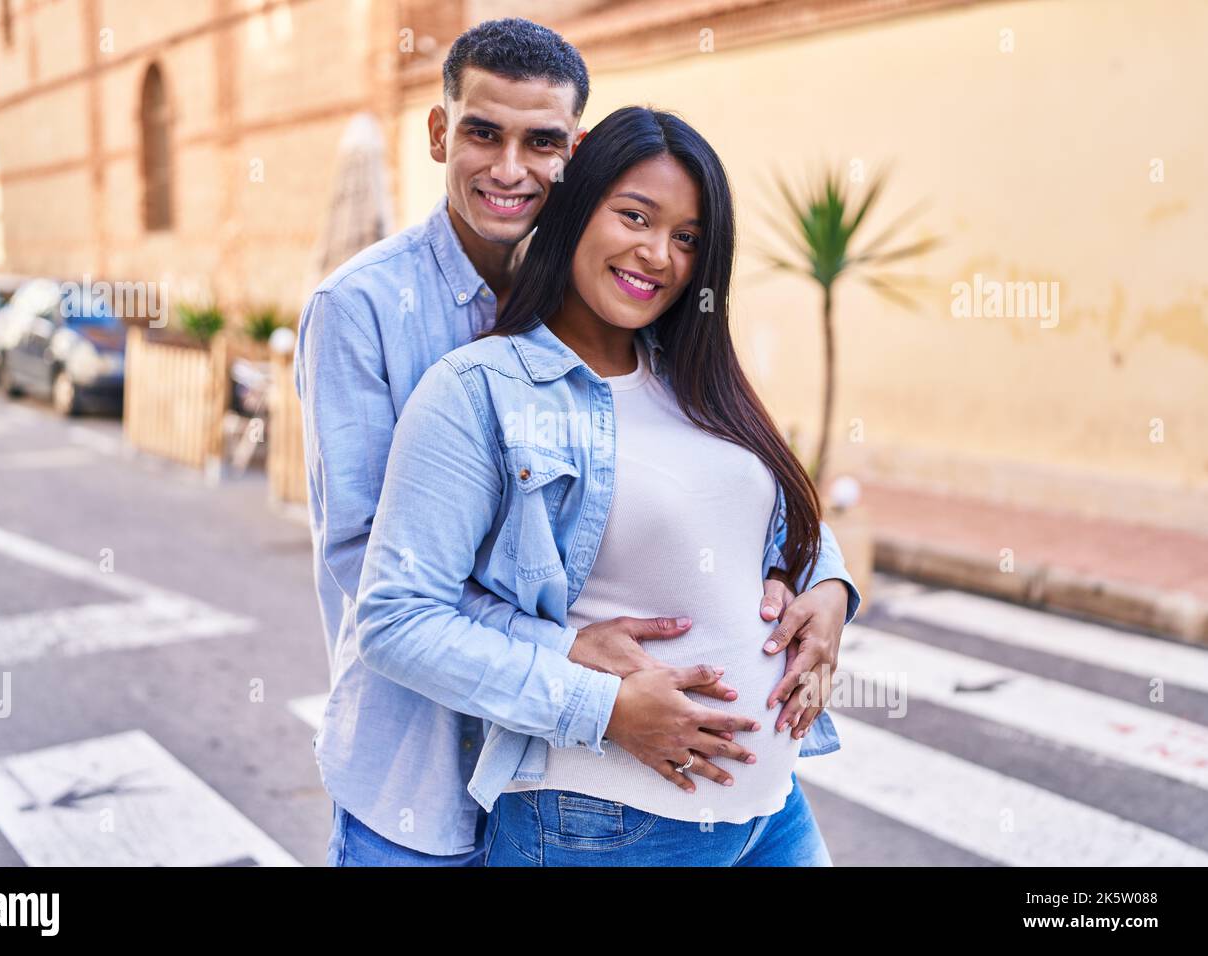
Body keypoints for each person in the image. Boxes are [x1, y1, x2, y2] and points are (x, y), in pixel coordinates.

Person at [297, 19, 858, 867]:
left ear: (577, 153)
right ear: (441, 132)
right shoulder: (368, 311)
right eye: (484, 132)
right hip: (426, 767)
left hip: (721, 800)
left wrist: (829, 583)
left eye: (543, 141)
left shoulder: (624, 304)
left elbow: (732, 488)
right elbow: (374, 569)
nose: (511, 167)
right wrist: (568, 658)